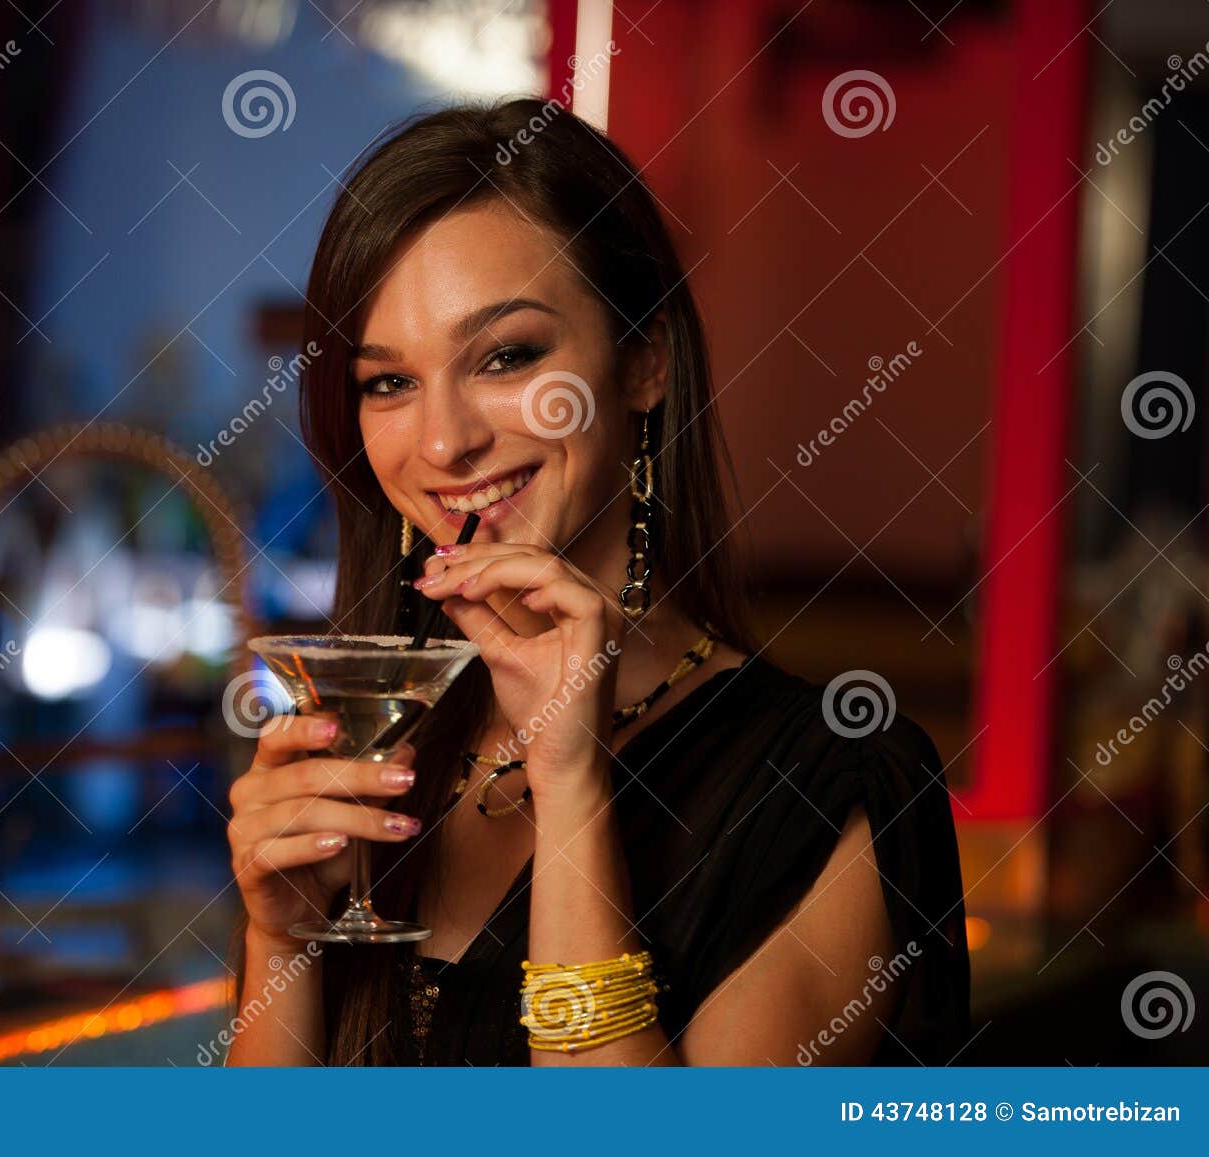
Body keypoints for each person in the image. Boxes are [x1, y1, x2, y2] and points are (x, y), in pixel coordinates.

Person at [224, 99, 970, 1066]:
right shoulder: (377, 748)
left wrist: (573, 786)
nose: (445, 441)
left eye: (506, 356)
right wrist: (280, 940)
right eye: (388, 382)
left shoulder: (830, 781)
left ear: (644, 362)